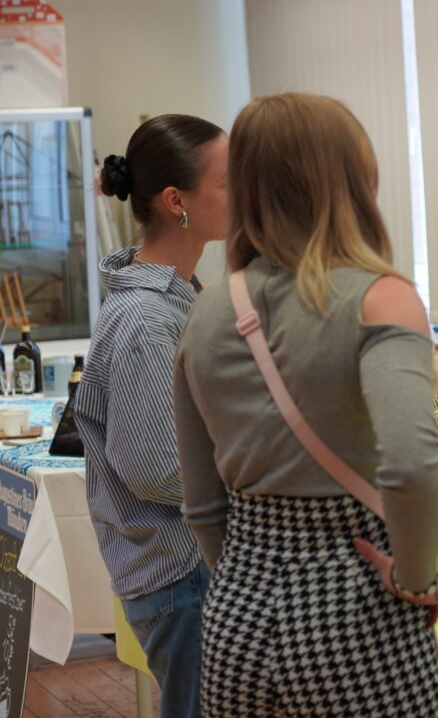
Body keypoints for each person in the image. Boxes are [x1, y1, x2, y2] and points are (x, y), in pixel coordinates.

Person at [172, 93, 438, 717]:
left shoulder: (205, 312)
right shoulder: (380, 297)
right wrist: (414, 578)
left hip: (236, 619)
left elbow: (203, 506)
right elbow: (411, 468)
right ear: (351, 182)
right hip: (357, 609)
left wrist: (248, 577)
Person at [76, 114, 229, 718]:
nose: (241, 193)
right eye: (226, 181)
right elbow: (154, 468)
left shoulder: (178, 297)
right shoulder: (147, 319)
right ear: (176, 201)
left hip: (185, 567)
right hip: (181, 572)